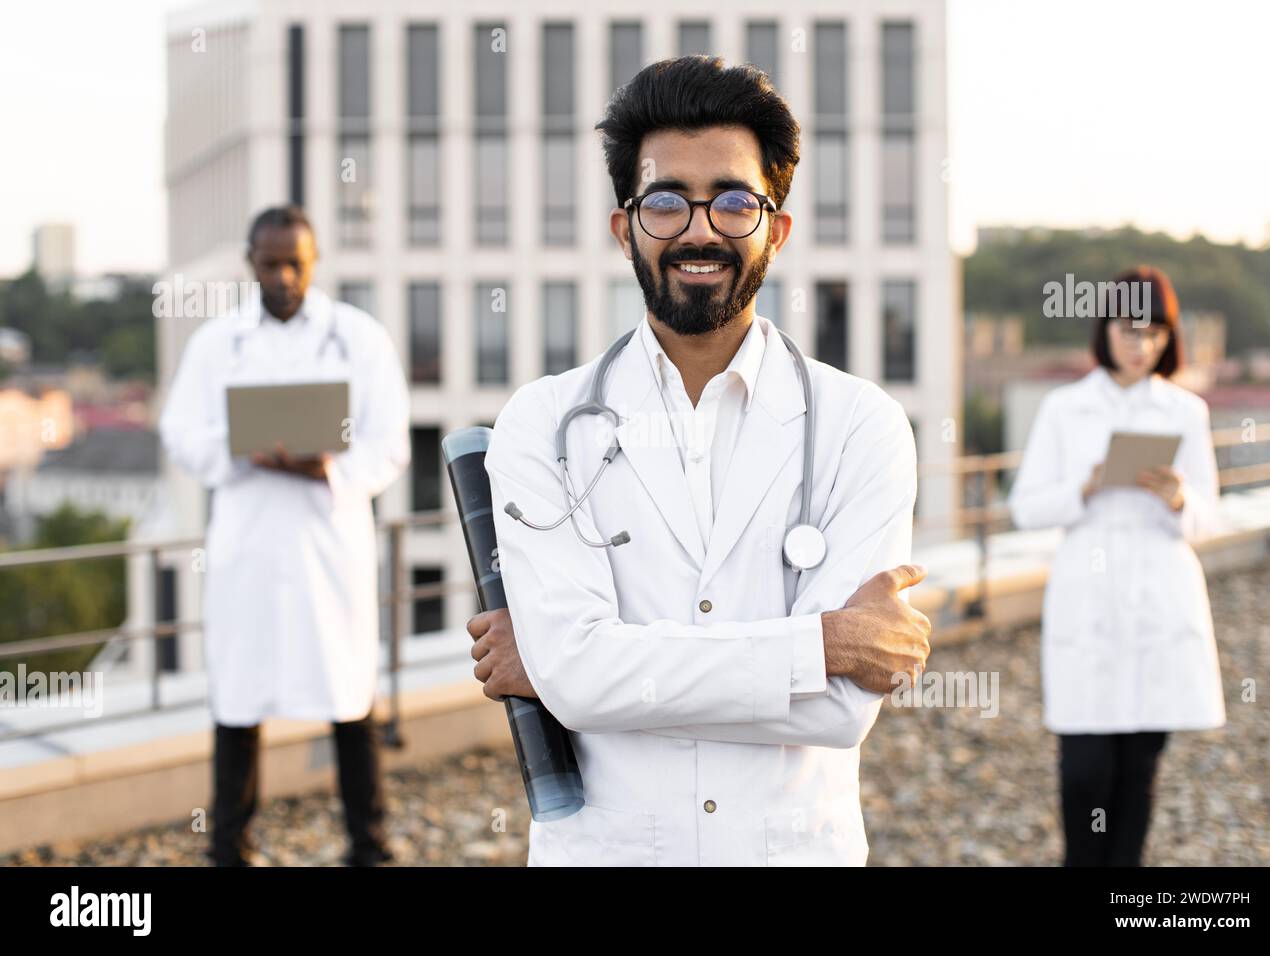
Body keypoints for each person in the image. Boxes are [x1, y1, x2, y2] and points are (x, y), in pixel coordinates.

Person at [466, 57, 932, 866]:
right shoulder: (541, 422)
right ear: (626, 230)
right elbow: (578, 676)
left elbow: (841, 714)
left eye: (734, 200)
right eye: (666, 201)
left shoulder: (863, 425)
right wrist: (820, 647)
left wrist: (576, 670)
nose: (699, 229)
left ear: (775, 229)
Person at [159, 205, 411, 866]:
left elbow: (390, 443)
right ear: (251, 263)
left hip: (328, 540)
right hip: (248, 543)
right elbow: (180, 432)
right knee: (239, 702)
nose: (284, 276)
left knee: (349, 698)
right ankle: (229, 850)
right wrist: (244, 450)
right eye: (271, 264)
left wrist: (327, 464)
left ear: (314, 261)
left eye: (295, 263)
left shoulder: (358, 338)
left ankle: (370, 847)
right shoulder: (218, 344)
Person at [1008, 265, 1226, 866]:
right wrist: (1087, 486)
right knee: (1084, 771)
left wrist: (1179, 498)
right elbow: (1025, 508)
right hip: (1089, 588)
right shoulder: (1065, 407)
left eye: (1155, 333)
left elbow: (1210, 518)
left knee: (1139, 767)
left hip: (1160, 589)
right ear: (1104, 331)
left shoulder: (1186, 411)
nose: (1142, 345)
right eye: (1130, 331)